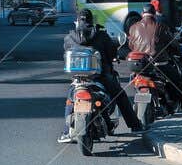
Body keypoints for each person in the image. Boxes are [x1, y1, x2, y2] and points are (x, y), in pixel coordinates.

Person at [60, 8, 141, 142]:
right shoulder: (101, 35)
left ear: (77, 21)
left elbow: (65, 54)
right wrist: (113, 57)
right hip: (100, 76)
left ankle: (66, 131)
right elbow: (111, 53)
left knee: (70, 101)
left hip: (78, 79)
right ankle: (135, 125)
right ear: (91, 20)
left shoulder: (69, 37)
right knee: (120, 96)